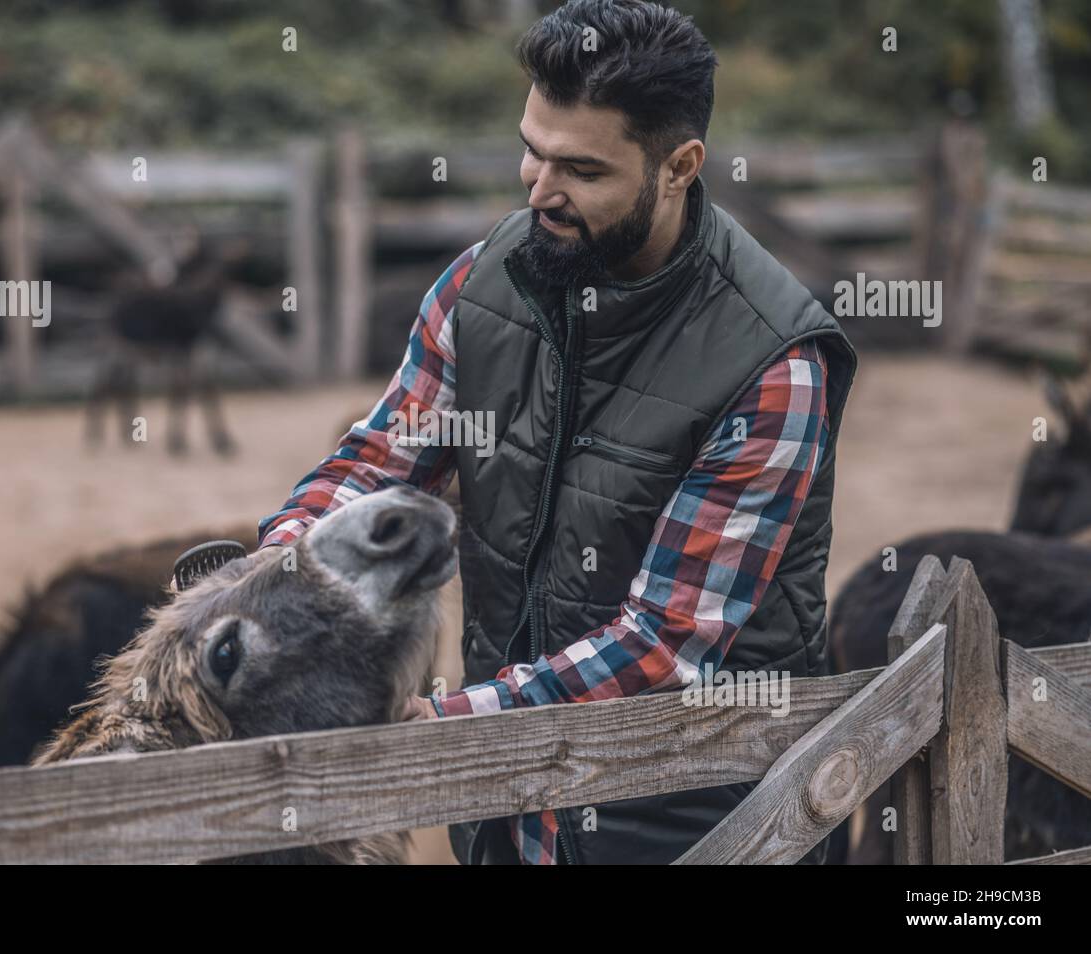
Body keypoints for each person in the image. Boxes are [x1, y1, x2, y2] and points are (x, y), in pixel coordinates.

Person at [257, 0, 856, 865]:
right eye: (531, 151)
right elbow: (380, 462)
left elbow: (661, 646)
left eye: (580, 168)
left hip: (696, 824)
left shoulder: (772, 365)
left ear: (680, 165)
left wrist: (444, 725)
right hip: (505, 815)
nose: (539, 190)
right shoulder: (481, 285)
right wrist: (274, 569)